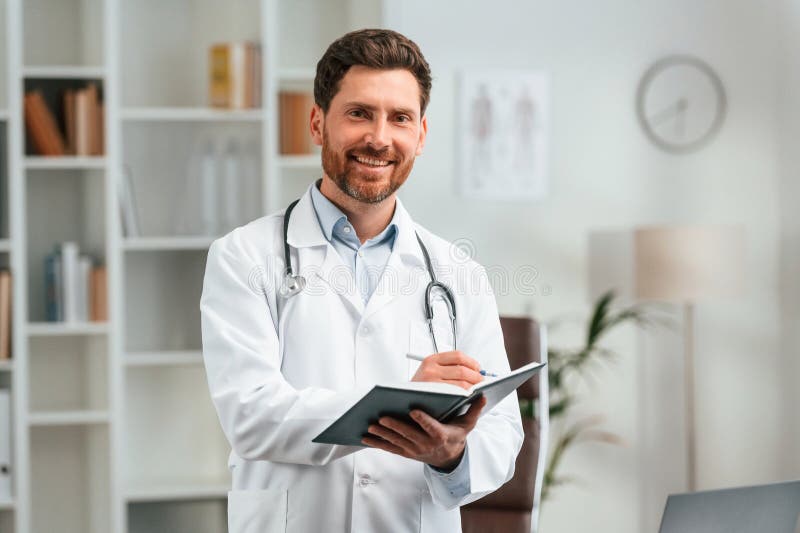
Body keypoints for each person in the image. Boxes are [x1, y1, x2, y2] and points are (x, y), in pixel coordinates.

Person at [200, 28, 523, 533]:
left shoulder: (459, 274)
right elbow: (252, 415)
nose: (379, 137)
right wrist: (396, 399)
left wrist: (450, 453)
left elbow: (501, 434)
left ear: (421, 134)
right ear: (317, 123)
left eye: (400, 118)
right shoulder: (243, 257)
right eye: (358, 113)